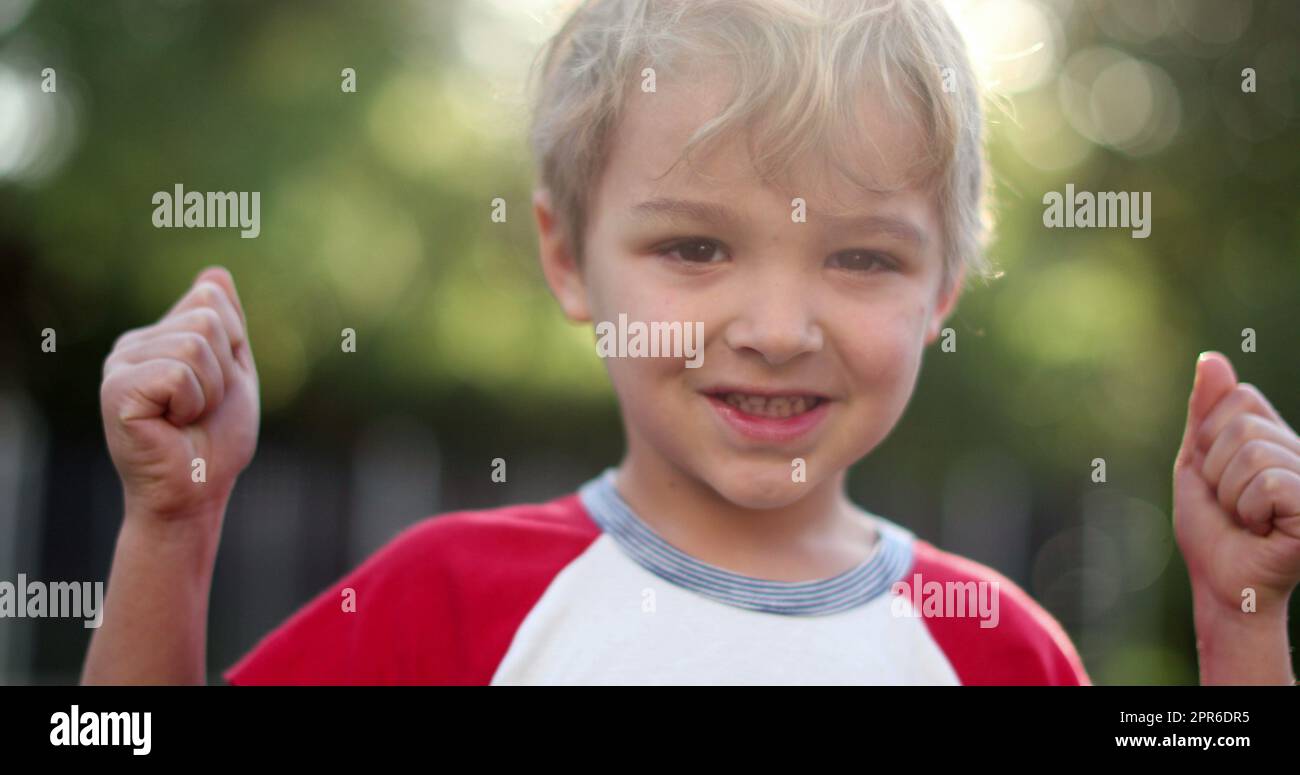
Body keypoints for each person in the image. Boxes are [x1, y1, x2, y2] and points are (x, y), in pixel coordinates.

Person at [82, 0, 1299, 685]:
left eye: (863, 258)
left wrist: (1238, 624)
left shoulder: (1002, 650)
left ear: (945, 290)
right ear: (568, 258)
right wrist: (171, 533)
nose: (775, 330)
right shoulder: (443, 603)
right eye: (697, 250)